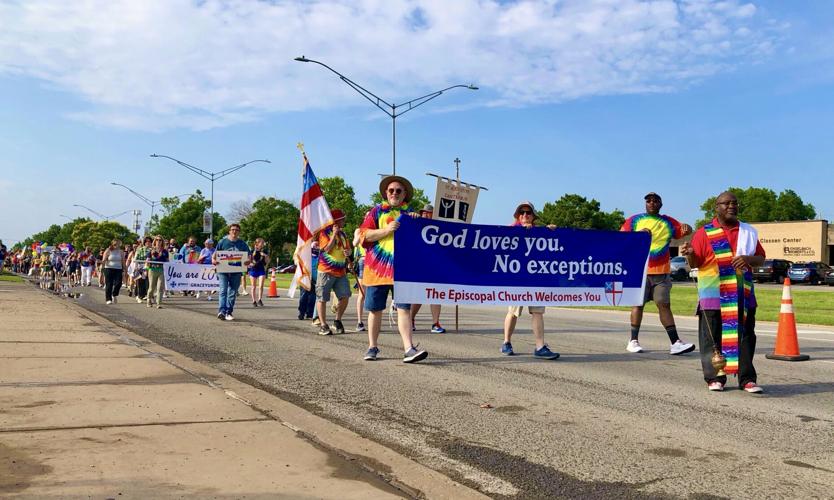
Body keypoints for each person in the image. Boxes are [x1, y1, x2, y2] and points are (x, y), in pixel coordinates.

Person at [680, 191, 765, 393]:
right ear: (716, 207)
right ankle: (714, 377)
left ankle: (747, 379)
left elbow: (760, 258)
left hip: (742, 292)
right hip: (713, 294)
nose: (731, 206)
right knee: (712, 337)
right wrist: (690, 254)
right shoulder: (704, 232)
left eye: (734, 203)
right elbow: (696, 263)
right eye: (726, 203)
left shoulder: (748, 232)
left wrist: (747, 259)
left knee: (745, 336)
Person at [359, 175, 427, 363]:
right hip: (377, 270)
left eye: (399, 190)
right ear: (386, 193)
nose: (395, 193)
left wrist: (416, 222)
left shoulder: (411, 214)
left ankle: (409, 349)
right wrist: (386, 230)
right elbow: (365, 235)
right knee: (375, 310)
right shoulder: (375, 212)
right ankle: (372, 347)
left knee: (404, 309)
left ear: (405, 194)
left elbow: (423, 240)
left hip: (402, 271)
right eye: (391, 190)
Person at [620, 192, 696, 355]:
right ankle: (633, 341)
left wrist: (688, 228)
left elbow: (685, 231)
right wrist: (639, 235)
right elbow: (622, 238)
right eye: (649, 201)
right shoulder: (635, 220)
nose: (652, 203)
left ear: (661, 204)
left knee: (664, 304)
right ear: (645, 204)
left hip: (661, 272)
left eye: (655, 201)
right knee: (638, 305)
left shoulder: (668, 221)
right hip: (641, 271)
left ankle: (675, 343)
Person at [500, 202, 560, 360]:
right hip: (517, 279)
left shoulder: (540, 232)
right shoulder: (511, 230)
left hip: (535, 278)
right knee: (513, 312)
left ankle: (540, 346)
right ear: (518, 215)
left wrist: (551, 232)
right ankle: (506, 342)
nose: (525, 215)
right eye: (522, 212)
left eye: (528, 213)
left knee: (538, 311)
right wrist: (520, 233)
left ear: (533, 216)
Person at [409, 204, 446, 334]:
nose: (425, 214)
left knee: (436, 294)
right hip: (420, 265)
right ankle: (410, 319)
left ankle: (435, 323)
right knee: (419, 296)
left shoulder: (440, 228)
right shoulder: (417, 224)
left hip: (436, 265)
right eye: (424, 212)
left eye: (428, 213)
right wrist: (413, 217)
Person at [315, 209, 352, 335]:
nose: (344, 221)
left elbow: (349, 249)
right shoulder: (324, 233)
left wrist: (349, 253)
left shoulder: (343, 234)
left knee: (345, 296)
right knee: (322, 298)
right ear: (336, 221)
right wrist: (333, 235)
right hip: (326, 271)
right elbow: (326, 249)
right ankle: (323, 325)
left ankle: (337, 320)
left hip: (340, 271)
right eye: (342, 219)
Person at [212, 223, 250, 321]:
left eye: (237, 230)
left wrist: (248, 261)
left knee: (232, 292)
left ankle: (229, 311)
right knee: (223, 290)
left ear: (239, 232)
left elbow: (249, 256)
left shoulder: (242, 244)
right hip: (223, 270)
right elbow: (214, 256)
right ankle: (221, 311)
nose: (234, 231)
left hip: (236, 271)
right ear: (229, 231)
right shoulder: (222, 242)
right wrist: (214, 261)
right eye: (233, 229)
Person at [298, 242, 318, 321]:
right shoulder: (306, 255)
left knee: (313, 297)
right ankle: (301, 312)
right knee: (304, 295)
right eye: (315, 246)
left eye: (317, 246)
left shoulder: (320, 256)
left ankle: (310, 313)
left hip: (315, 279)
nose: (316, 247)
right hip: (305, 277)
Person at [146, 236, 168, 309]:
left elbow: (167, 261)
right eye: (157, 240)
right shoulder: (151, 250)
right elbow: (147, 261)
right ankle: (149, 300)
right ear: (155, 241)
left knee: (160, 287)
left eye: (160, 240)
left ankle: (159, 303)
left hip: (161, 270)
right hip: (152, 270)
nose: (158, 241)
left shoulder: (165, 251)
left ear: (162, 242)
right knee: (151, 287)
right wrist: (146, 269)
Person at [101, 239, 125, 304]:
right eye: (115, 244)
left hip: (118, 268)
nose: (116, 245)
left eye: (118, 244)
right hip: (109, 268)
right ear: (113, 244)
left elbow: (123, 261)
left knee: (118, 283)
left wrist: (125, 269)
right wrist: (101, 266)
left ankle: (114, 294)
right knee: (109, 284)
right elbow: (104, 260)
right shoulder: (108, 250)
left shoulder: (121, 252)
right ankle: (108, 299)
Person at [352, 227, 366, 332]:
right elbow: (355, 243)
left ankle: (373, 320)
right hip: (364, 260)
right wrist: (362, 233)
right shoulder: (359, 230)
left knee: (374, 293)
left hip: (377, 260)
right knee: (362, 293)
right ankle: (359, 321)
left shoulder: (378, 228)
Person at [248, 238, 269, 307]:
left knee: (261, 286)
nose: (263, 244)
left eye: (263, 243)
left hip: (261, 269)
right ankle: (254, 301)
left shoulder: (265, 251)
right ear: (257, 243)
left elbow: (267, 262)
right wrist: (253, 256)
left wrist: (265, 256)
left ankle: (259, 299)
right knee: (253, 286)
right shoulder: (251, 251)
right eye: (262, 243)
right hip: (253, 270)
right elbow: (249, 261)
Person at [133, 236, 152, 303]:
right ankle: (139, 296)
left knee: (148, 283)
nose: (148, 243)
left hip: (150, 268)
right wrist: (136, 267)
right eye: (146, 241)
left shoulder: (152, 250)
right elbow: (136, 259)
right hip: (141, 267)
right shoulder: (140, 249)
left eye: (149, 241)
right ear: (144, 242)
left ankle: (146, 295)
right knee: (140, 282)